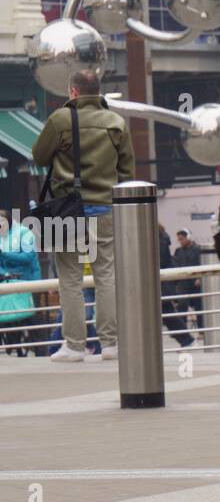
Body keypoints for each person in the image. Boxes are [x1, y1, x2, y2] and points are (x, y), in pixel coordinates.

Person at [31, 67, 133, 363]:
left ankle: (74, 345)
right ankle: (111, 344)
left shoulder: (60, 119)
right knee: (106, 276)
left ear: (73, 91)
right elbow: (127, 172)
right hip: (105, 208)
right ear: (98, 91)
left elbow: (39, 156)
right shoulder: (116, 122)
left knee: (70, 279)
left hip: (65, 209)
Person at [0, 209, 41, 355]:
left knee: (31, 319)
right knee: (9, 318)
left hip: (29, 281)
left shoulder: (25, 233)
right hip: (8, 283)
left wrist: (4, 254)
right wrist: (4, 273)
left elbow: (28, 257)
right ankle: (14, 349)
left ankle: (39, 350)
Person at [159, 224, 194, 349]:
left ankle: (186, 339)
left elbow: (161, 262)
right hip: (164, 284)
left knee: (168, 314)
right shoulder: (163, 239)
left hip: (161, 284)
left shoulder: (159, 239)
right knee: (168, 313)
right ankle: (186, 339)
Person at [174, 228, 203, 333]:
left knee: (199, 308)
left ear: (188, 237)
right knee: (182, 309)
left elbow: (202, 265)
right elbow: (175, 266)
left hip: (196, 284)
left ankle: (202, 331)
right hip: (183, 285)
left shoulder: (198, 249)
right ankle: (183, 332)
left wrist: (199, 278)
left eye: (182, 239)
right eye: (179, 240)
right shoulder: (178, 251)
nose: (180, 241)